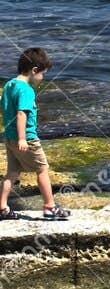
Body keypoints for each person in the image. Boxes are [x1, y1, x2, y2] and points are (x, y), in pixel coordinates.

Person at [0, 48, 68, 220]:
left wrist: (14, 135)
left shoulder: (9, 85)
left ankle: (2, 207)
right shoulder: (26, 90)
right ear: (34, 70)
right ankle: (50, 207)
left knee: (12, 173)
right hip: (27, 138)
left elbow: (6, 108)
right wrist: (23, 138)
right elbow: (22, 113)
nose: (42, 78)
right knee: (43, 169)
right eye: (43, 74)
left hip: (9, 137)